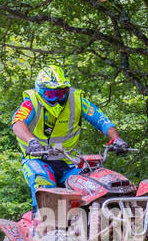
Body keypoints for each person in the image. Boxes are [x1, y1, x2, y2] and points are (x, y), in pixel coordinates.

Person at [11, 63, 128, 210]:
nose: (58, 99)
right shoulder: (31, 102)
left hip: (69, 161)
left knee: (93, 185)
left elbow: (102, 120)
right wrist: (32, 141)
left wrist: (116, 139)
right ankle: (42, 227)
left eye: (62, 93)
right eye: (51, 94)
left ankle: (92, 222)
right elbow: (17, 123)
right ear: (41, 92)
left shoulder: (77, 100)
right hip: (37, 159)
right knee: (44, 186)